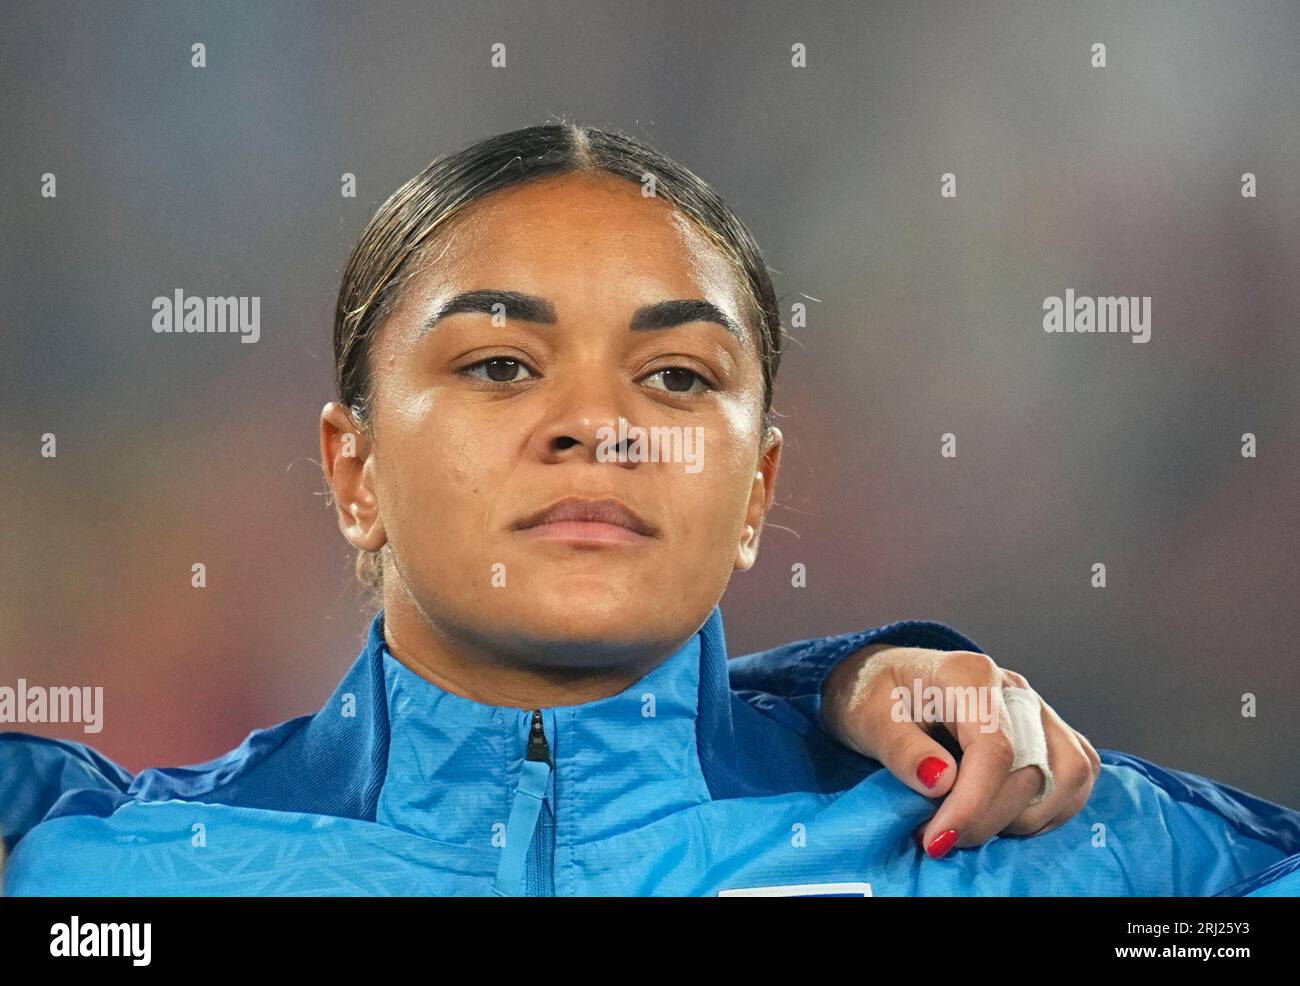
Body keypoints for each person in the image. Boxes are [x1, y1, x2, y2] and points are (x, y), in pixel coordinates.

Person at [3, 124, 1297, 896]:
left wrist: (801, 703)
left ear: (759, 490)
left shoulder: (1008, 851)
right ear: (355, 473)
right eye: (501, 365)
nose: (597, 424)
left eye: (676, 375)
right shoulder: (88, 867)